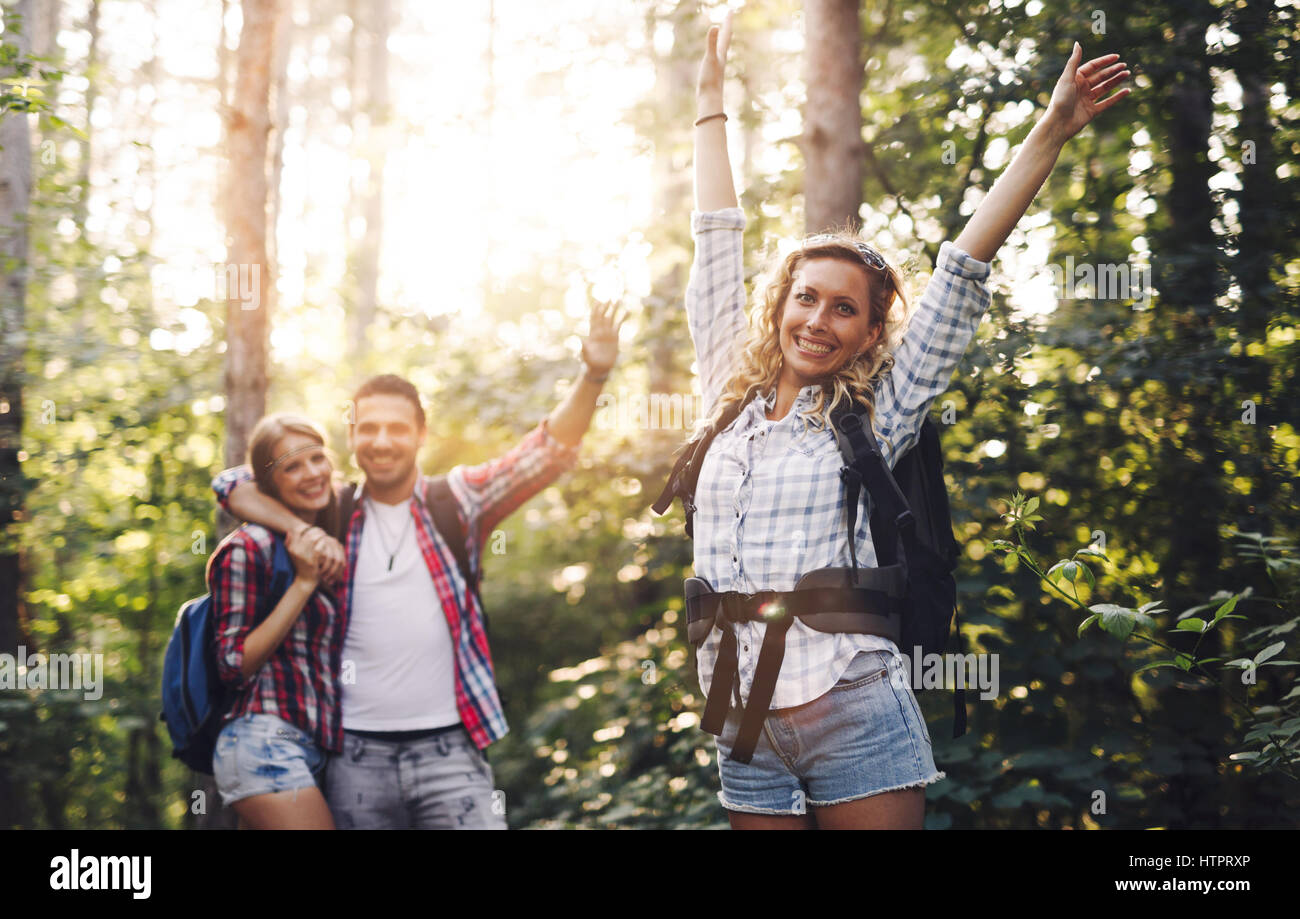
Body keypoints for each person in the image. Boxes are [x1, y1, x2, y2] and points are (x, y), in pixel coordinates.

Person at [680, 12, 1130, 829]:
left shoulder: (878, 410)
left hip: (852, 705)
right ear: (779, 305)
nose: (817, 320)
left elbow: (963, 267)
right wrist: (710, 102)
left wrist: (1053, 129)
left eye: (844, 309)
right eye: (805, 297)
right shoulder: (726, 395)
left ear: (870, 329)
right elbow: (717, 237)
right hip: (741, 715)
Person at [211, 301, 622, 828]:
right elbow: (230, 484)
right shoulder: (327, 510)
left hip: (450, 750)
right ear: (353, 435)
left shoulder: (458, 501)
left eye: (397, 429)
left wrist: (593, 375)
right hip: (352, 757)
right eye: (368, 429)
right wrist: (301, 529)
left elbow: (546, 451)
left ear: (421, 434)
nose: (382, 442)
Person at [209, 413, 343, 830]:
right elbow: (233, 664)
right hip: (264, 742)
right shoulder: (250, 547)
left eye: (317, 458)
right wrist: (303, 584)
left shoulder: (333, 529)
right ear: (268, 483)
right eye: (292, 466)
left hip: (312, 749)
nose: (312, 473)